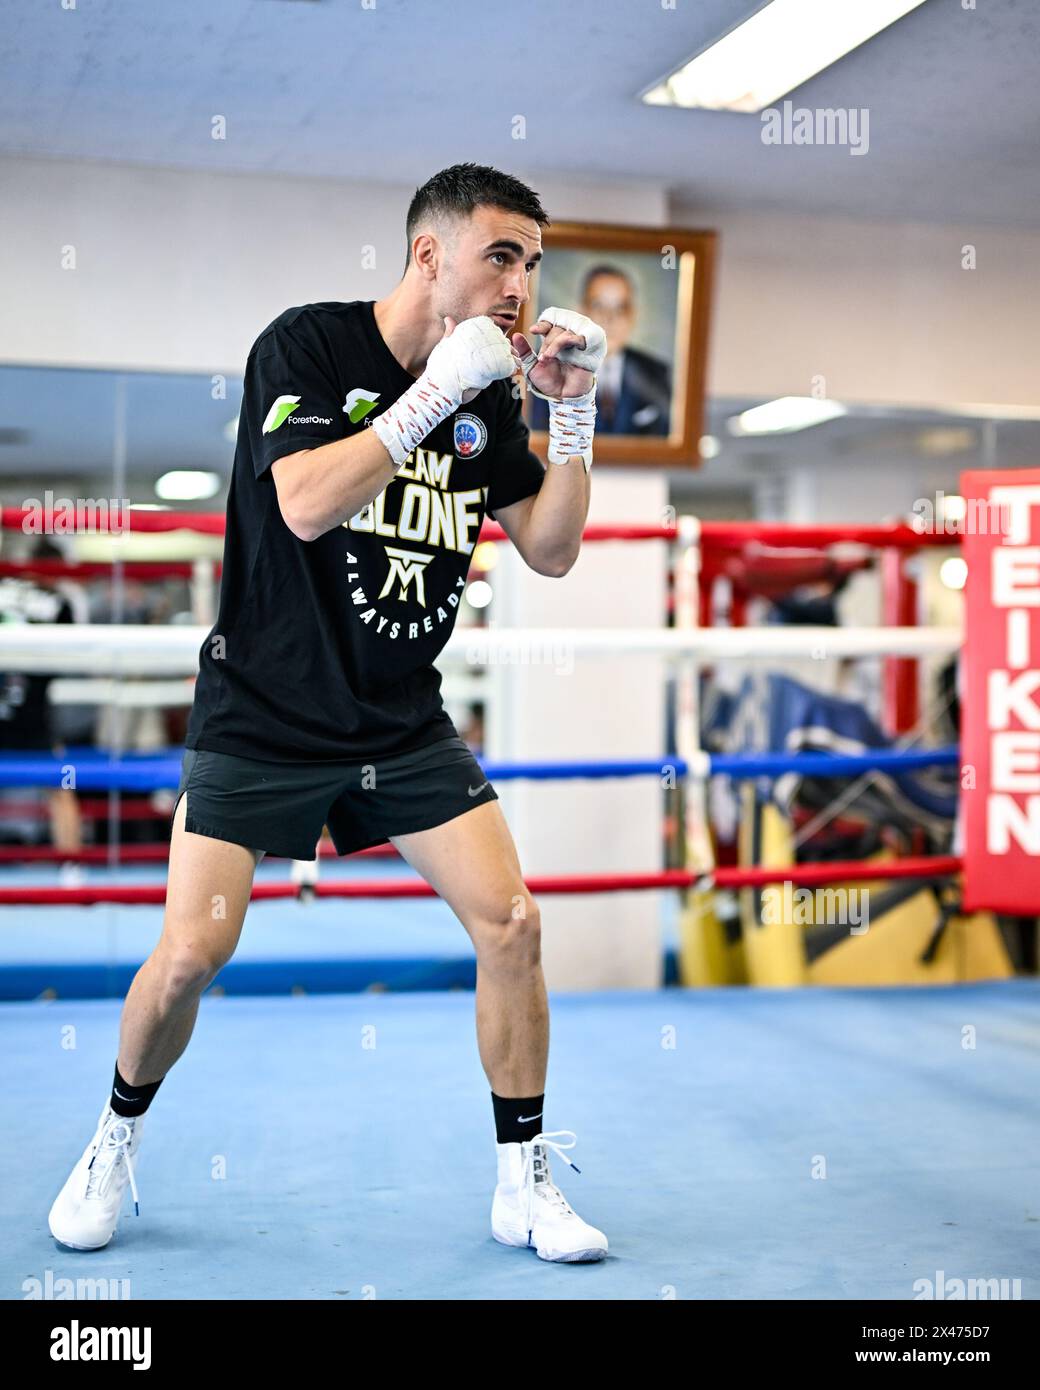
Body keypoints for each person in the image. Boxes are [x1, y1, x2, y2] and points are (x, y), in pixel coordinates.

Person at [48, 163, 610, 1264]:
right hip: (262, 712)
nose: (521, 284)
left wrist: (574, 414)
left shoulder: (490, 392)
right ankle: (115, 1136)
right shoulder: (304, 346)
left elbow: (547, 549)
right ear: (428, 255)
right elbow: (302, 504)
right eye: (502, 254)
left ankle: (522, 1181)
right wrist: (431, 395)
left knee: (514, 924)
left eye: (534, 262)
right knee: (189, 956)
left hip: (397, 719)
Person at [529, 264, 671, 435]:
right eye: (598, 306)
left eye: (620, 309)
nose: (609, 319)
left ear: (632, 316)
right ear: (581, 312)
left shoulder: (656, 374)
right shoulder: (544, 367)